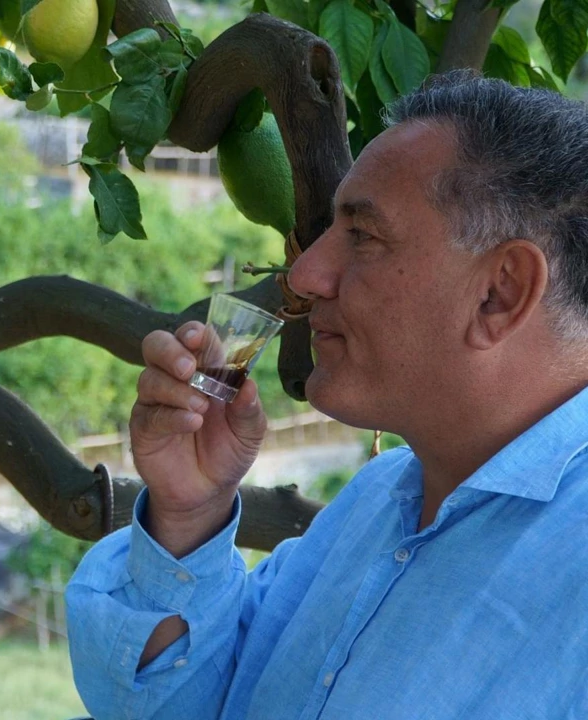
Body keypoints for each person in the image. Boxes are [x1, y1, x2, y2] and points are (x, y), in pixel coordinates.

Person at [66, 71, 588, 719]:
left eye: (363, 237)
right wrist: (188, 517)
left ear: (499, 291)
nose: (306, 274)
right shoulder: (380, 497)